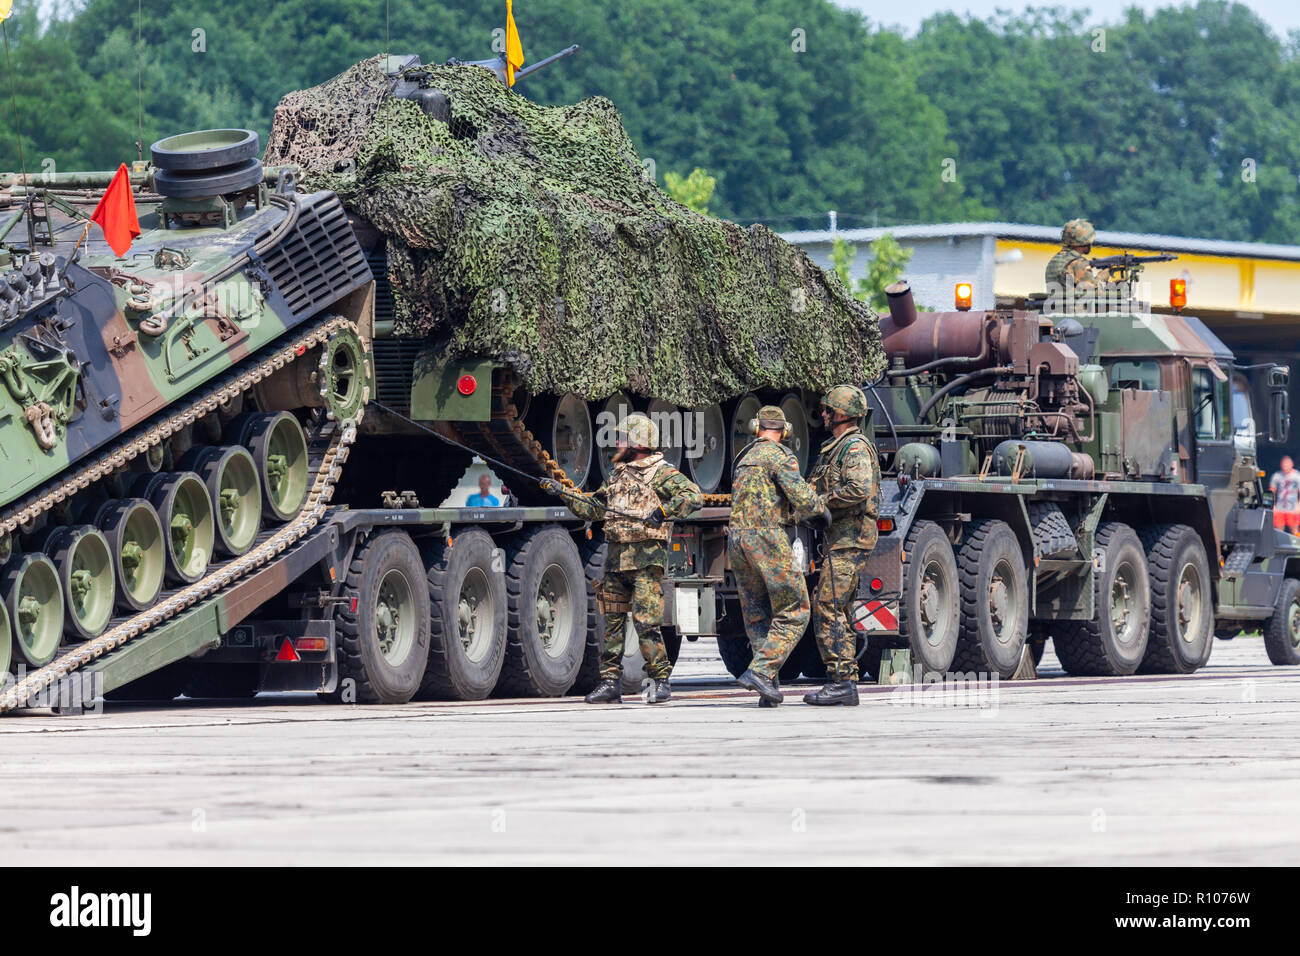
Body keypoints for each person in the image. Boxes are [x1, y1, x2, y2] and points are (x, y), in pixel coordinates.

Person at [546, 413, 702, 704]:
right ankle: (609, 682)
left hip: (646, 562)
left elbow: (694, 497)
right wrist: (563, 493)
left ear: (639, 443)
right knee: (613, 624)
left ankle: (660, 679)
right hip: (617, 561)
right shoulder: (618, 474)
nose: (618, 442)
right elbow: (594, 509)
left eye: (624, 437)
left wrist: (664, 512)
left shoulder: (662, 473)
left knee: (646, 623)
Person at [728, 405, 826, 706]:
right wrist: (822, 512)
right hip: (767, 538)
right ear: (784, 431)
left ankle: (768, 687)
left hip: (737, 540)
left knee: (758, 615)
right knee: (796, 608)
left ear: (756, 429)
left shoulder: (743, 458)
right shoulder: (781, 456)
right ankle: (761, 671)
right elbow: (804, 500)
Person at [804, 385, 881, 706]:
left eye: (827, 410)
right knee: (838, 606)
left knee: (828, 605)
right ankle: (844, 679)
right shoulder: (834, 448)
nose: (822, 414)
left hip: (850, 538)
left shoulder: (854, 448)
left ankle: (842, 680)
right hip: (840, 538)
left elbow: (858, 489)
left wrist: (821, 504)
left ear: (840, 414)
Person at [1044, 219, 1113, 306]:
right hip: (1073, 312)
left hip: (1056, 310)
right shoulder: (1078, 263)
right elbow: (1094, 293)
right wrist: (1103, 276)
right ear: (1084, 241)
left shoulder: (1055, 260)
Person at [1271, 456, 1300, 534]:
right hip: (1280, 508)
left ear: (1292, 464)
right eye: (1284, 464)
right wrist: (1272, 506)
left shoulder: (1297, 476)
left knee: (1295, 530)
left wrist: (1299, 506)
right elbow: (1271, 491)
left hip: (1293, 508)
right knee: (1278, 531)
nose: (1285, 466)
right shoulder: (1276, 476)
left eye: (1287, 464)